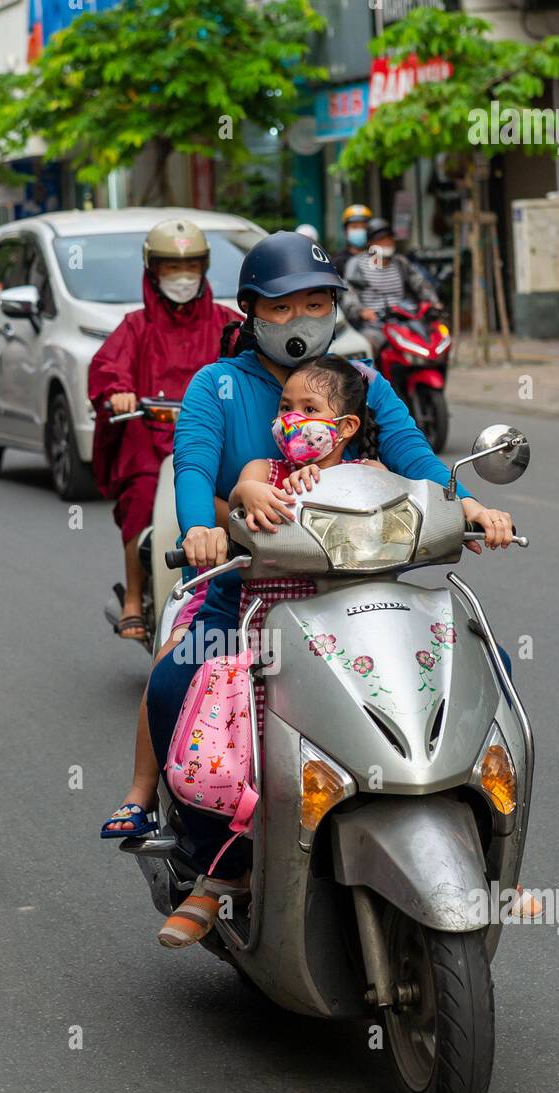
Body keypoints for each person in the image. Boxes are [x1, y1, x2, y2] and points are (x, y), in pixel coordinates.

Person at [129, 231, 515, 945]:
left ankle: (473, 825)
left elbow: (422, 463)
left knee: (488, 665)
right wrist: (200, 531)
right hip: (247, 592)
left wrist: (468, 508)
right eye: (284, 306)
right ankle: (215, 854)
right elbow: (193, 469)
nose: (302, 316)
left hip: (366, 589)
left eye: (317, 301)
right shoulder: (216, 385)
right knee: (173, 684)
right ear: (250, 311)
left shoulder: (361, 381)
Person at [88, 219, 236, 641]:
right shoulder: (135, 326)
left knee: (245, 498)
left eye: (191, 265)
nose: (183, 275)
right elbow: (106, 367)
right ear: (154, 269)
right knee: (137, 495)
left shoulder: (228, 323)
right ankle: (134, 598)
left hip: (213, 441)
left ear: (204, 266)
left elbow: (254, 364)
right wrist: (118, 393)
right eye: (173, 267)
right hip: (150, 438)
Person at [341, 218, 443, 359]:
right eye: (381, 240)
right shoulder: (356, 264)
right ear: (370, 243)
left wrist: (434, 302)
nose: (387, 243)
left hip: (404, 321)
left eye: (389, 239)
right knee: (366, 348)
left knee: (431, 343)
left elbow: (421, 284)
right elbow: (348, 292)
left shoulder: (400, 262)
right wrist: (360, 311)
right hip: (375, 325)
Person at [331, 203, 374, 278]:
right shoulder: (337, 262)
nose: (360, 230)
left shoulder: (379, 258)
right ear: (345, 231)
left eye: (364, 227)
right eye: (354, 227)